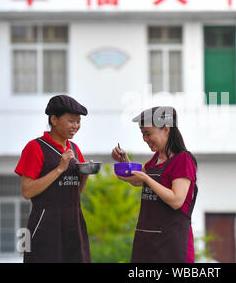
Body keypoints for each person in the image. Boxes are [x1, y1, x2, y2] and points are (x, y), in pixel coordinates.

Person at [112, 106, 198, 263]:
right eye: (143, 134)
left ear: (166, 129)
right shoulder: (156, 159)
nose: (145, 139)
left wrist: (146, 178)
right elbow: (137, 180)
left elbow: (176, 200)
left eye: (148, 133)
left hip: (172, 245)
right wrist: (125, 163)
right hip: (148, 241)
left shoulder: (183, 160)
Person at [14, 95, 91, 263]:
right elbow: (27, 191)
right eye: (71, 121)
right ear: (54, 119)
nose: (76, 126)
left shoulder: (74, 149)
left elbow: (74, 194)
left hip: (73, 222)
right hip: (46, 224)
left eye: (78, 122)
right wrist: (59, 169)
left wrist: (84, 175)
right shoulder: (35, 147)